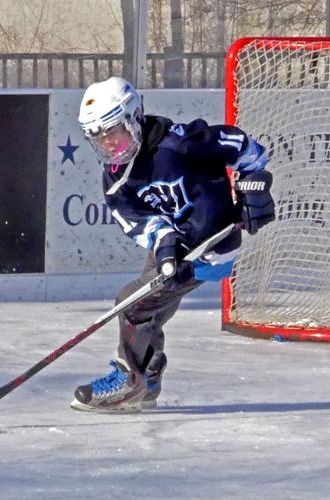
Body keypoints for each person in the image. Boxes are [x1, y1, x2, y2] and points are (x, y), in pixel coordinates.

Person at [72, 76, 275, 412]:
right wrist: (165, 245)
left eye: (113, 131)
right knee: (146, 308)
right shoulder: (116, 177)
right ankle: (146, 381)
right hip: (176, 249)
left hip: (211, 246)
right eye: (98, 137)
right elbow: (137, 220)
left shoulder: (179, 144)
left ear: (134, 120)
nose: (108, 144)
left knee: (133, 304)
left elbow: (240, 146)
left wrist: (254, 185)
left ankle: (130, 381)